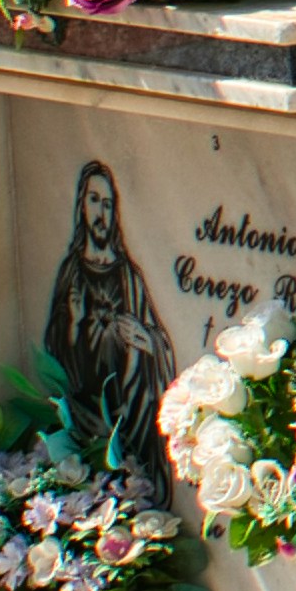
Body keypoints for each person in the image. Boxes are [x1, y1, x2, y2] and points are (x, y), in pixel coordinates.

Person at [43, 161, 176, 489]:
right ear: (81, 206)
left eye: (107, 203)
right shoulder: (71, 272)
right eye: (93, 200)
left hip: (125, 410)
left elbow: (159, 338)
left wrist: (146, 340)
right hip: (82, 408)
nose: (101, 212)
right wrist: (72, 323)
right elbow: (54, 344)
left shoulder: (128, 275)